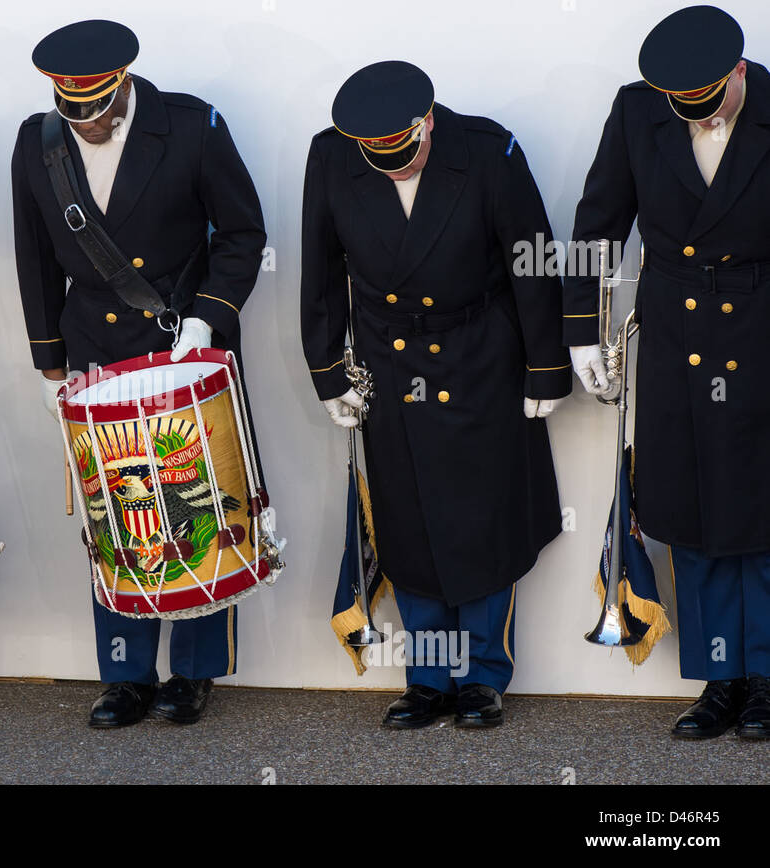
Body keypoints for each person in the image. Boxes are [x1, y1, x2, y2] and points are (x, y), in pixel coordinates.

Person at [11, 19, 266, 727]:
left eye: (95, 110)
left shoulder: (192, 126)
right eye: (73, 113)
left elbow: (244, 232)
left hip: (185, 342)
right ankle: (125, 673)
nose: (85, 125)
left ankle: (192, 671)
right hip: (96, 348)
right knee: (115, 513)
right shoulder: (38, 144)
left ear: (120, 87)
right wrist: (49, 363)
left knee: (198, 503)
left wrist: (209, 316)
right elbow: (32, 257)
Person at [301, 60, 570, 729]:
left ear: (427, 122)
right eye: (378, 159)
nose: (393, 168)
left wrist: (546, 368)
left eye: (406, 153)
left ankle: (482, 675)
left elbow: (532, 260)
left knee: (481, 520)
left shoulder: (487, 149)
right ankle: (426, 678)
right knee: (408, 520)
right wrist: (328, 370)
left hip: (479, 357)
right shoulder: (332, 157)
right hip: (390, 368)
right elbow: (320, 270)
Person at [566, 5, 769, 739]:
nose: (696, 118)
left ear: (738, 73)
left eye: (709, 104)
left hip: (761, 331)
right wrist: (581, 332)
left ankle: (767, 680)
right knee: (694, 511)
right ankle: (721, 678)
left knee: (760, 513)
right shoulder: (636, 110)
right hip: (677, 335)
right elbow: (596, 225)